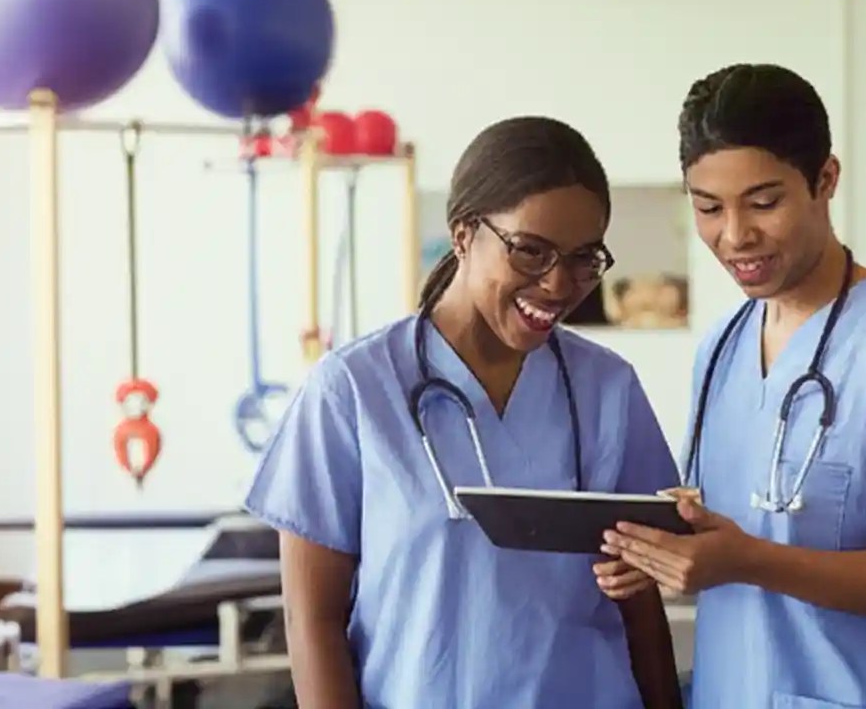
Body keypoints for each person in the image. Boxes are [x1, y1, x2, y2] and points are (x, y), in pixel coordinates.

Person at [243, 116, 683, 709]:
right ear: (463, 233)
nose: (558, 285)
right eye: (531, 252)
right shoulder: (353, 390)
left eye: (583, 259)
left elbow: (641, 605)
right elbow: (311, 619)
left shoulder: (607, 387)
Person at [595, 62, 866, 708]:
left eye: (764, 202)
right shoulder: (722, 346)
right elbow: (740, 526)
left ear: (825, 180)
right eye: (708, 207)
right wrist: (657, 553)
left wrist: (746, 560)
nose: (735, 235)